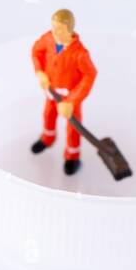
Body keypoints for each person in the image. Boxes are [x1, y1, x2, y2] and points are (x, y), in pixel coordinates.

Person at [29, 9, 97, 175]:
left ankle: (72, 156)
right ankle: (47, 138)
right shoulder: (48, 39)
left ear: (69, 29)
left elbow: (89, 76)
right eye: (53, 28)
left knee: (73, 127)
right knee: (48, 115)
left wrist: (71, 101)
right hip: (51, 91)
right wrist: (40, 72)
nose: (55, 32)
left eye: (59, 29)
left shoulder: (80, 54)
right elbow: (36, 51)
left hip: (69, 97)